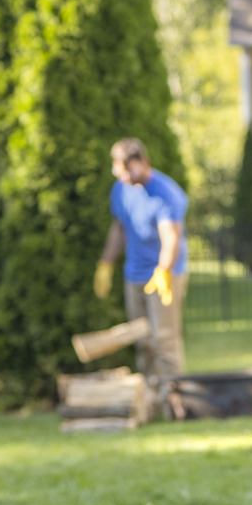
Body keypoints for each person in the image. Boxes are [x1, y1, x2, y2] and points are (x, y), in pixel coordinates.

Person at [94, 137, 188, 389]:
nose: (125, 176)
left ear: (145, 162)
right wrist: (106, 264)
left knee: (164, 339)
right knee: (142, 340)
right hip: (134, 274)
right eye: (120, 171)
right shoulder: (120, 190)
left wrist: (163, 271)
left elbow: (171, 238)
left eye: (130, 169)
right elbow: (119, 228)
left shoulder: (166, 193)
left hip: (165, 275)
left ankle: (175, 399)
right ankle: (149, 398)